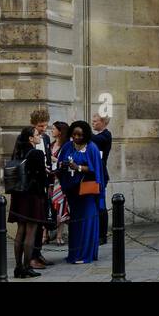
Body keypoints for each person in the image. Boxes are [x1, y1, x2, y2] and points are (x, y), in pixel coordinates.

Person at [57, 120, 106, 264]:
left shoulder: (92, 148)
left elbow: (95, 170)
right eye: (74, 134)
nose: (77, 137)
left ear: (85, 134)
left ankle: (85, 254)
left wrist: (77, 167)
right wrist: (63, 166)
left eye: (80, 135)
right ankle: (75, 253)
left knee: (87, 222)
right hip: (73, 191)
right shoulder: (67, 146)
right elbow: (60, 163)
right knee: (76, 223)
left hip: (88, 193)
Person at [8, 126, 49, 278]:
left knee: (20, 230)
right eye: (37, 134)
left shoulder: (17, 151)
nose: (40, 136)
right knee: (31, 231)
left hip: (18, 195)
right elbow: (41, 179)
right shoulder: (36, 153)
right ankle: (26, 267)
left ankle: (18, 267)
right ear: (31, 138)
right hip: (32, 196)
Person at [27, 107, 53, 269]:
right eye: (40, 126)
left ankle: (38, 253)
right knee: (33, 222)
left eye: (45, 125)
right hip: (32, 185)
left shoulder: (46, 139)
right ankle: (31, 256)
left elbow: (48, 158)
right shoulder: (28, 138)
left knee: (42, 219)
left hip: (44, 183)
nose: (43, 129)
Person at [47, 120, 70, 247]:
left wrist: (53, 158)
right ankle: (45, 234)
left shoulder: (65, 146)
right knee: (48, 205)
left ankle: (59, 235)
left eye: (54, 128)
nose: (52, 130)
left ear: (60, 132)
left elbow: (64, 162)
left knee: (61, 205)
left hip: (59, 180)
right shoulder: (49, 145)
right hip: (49, 178)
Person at [92, 113, 113, 245]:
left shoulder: (106, 135)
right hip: (93, 175)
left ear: (103, 122)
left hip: (100, 175)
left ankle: (102, 234)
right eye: (92, 121)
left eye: (95, 121)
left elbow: (96, 140)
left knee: (101, 205)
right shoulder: (97, 137)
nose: (93, 123)